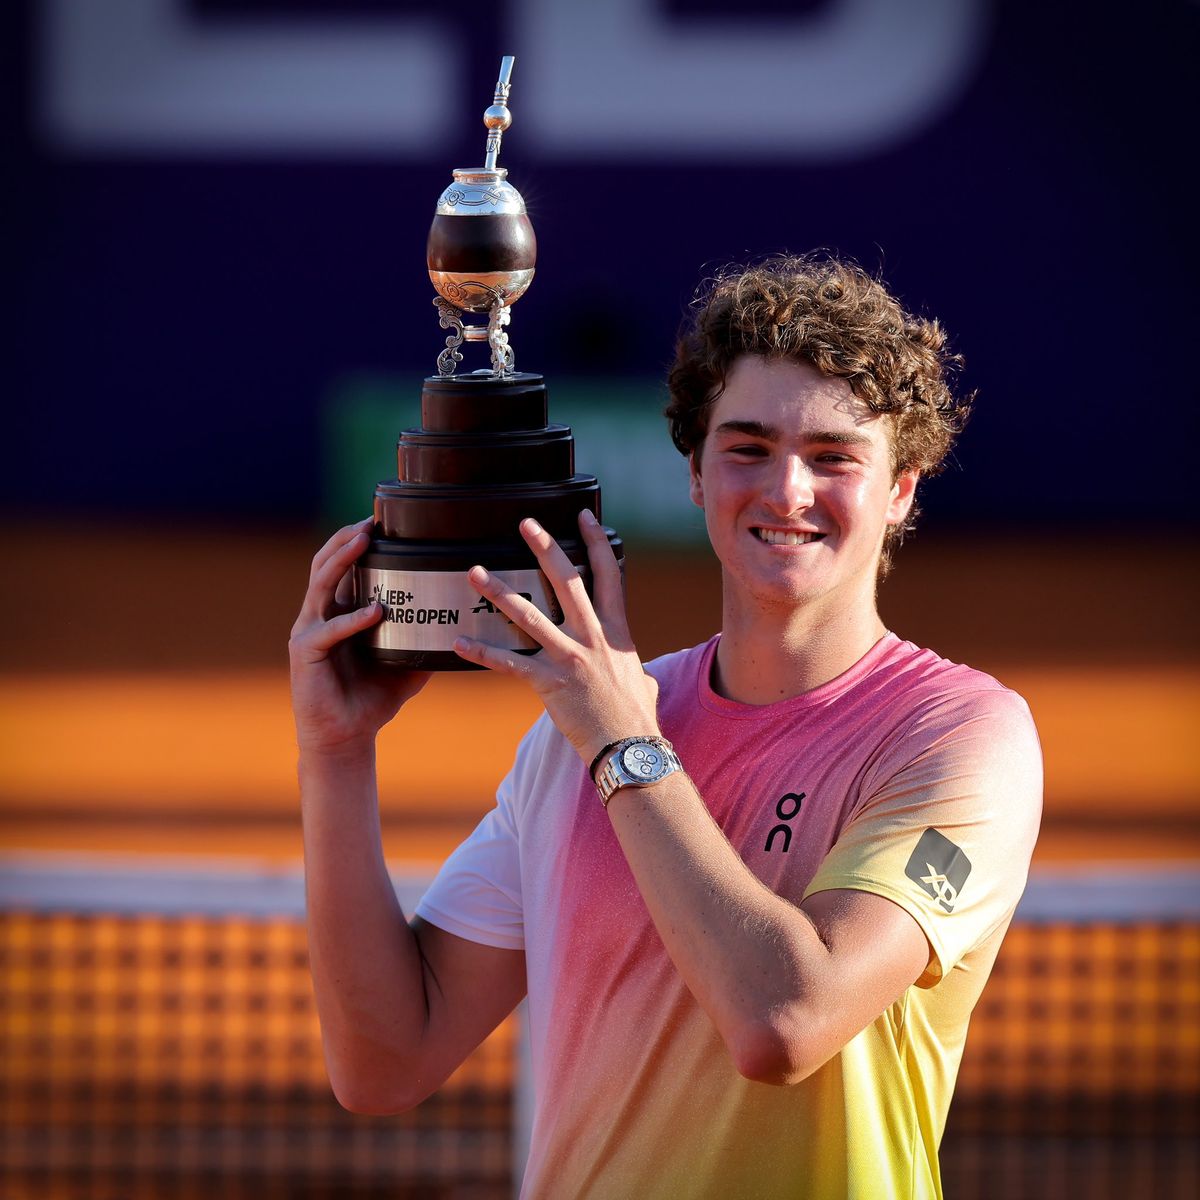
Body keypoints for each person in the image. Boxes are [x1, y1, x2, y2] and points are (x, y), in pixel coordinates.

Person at [289, 253, 1042, 1199]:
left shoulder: (963, 738)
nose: (788, 491)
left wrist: (618, 740)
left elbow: (785, 1022)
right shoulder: (580, 727)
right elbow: (384, 1062)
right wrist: (336, 752)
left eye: (836, 457)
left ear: (902, 488)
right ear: (694, 472)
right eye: (748, 448)